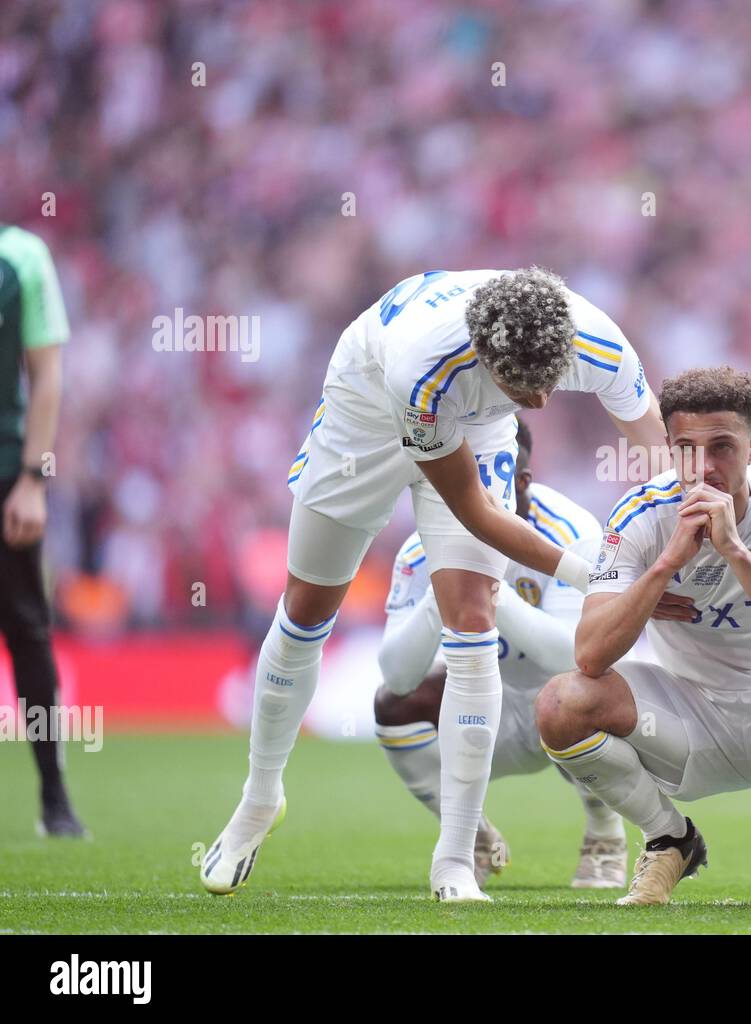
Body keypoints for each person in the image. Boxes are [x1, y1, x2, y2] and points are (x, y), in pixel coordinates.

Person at [200, 267, 664, 902]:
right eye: (522, 388)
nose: (539, 404)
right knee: (306, 609)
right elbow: (477, 513)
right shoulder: (425, 370)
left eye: (549, 384)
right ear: (484, 355)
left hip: (476, 421)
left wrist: (673, 545)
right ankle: (261, 796)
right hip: (365, 410)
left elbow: (660, 460)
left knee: (471, 618)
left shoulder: (599, 344)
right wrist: (595, 577)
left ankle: (454, 862)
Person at [535, 367, 751, 908]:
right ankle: (669, 838)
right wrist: (668, 564)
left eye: (722, 446)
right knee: (561, 703)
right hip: (684, 717)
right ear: (670, 451)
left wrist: (737, 553)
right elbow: (589, 655)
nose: (704, 466)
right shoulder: (640, 516)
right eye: (686, 448)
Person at [373, 418, 627, 890]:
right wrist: (440, 594)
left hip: (555, 710)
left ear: (522, 483)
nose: (466, 497)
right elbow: (397, 675)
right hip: (473, 712)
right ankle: (472, 835)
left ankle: (605, 834)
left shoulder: (573, 532)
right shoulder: (419, 549)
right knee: (392, 708)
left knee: (587, 691)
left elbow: (576, 655)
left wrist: (493, 596)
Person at [0, 224, 84, 839]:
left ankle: (55, 800)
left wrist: (33, 478)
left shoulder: (22, 257)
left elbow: (46, 374)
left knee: (27, 631)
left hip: (5, 474)